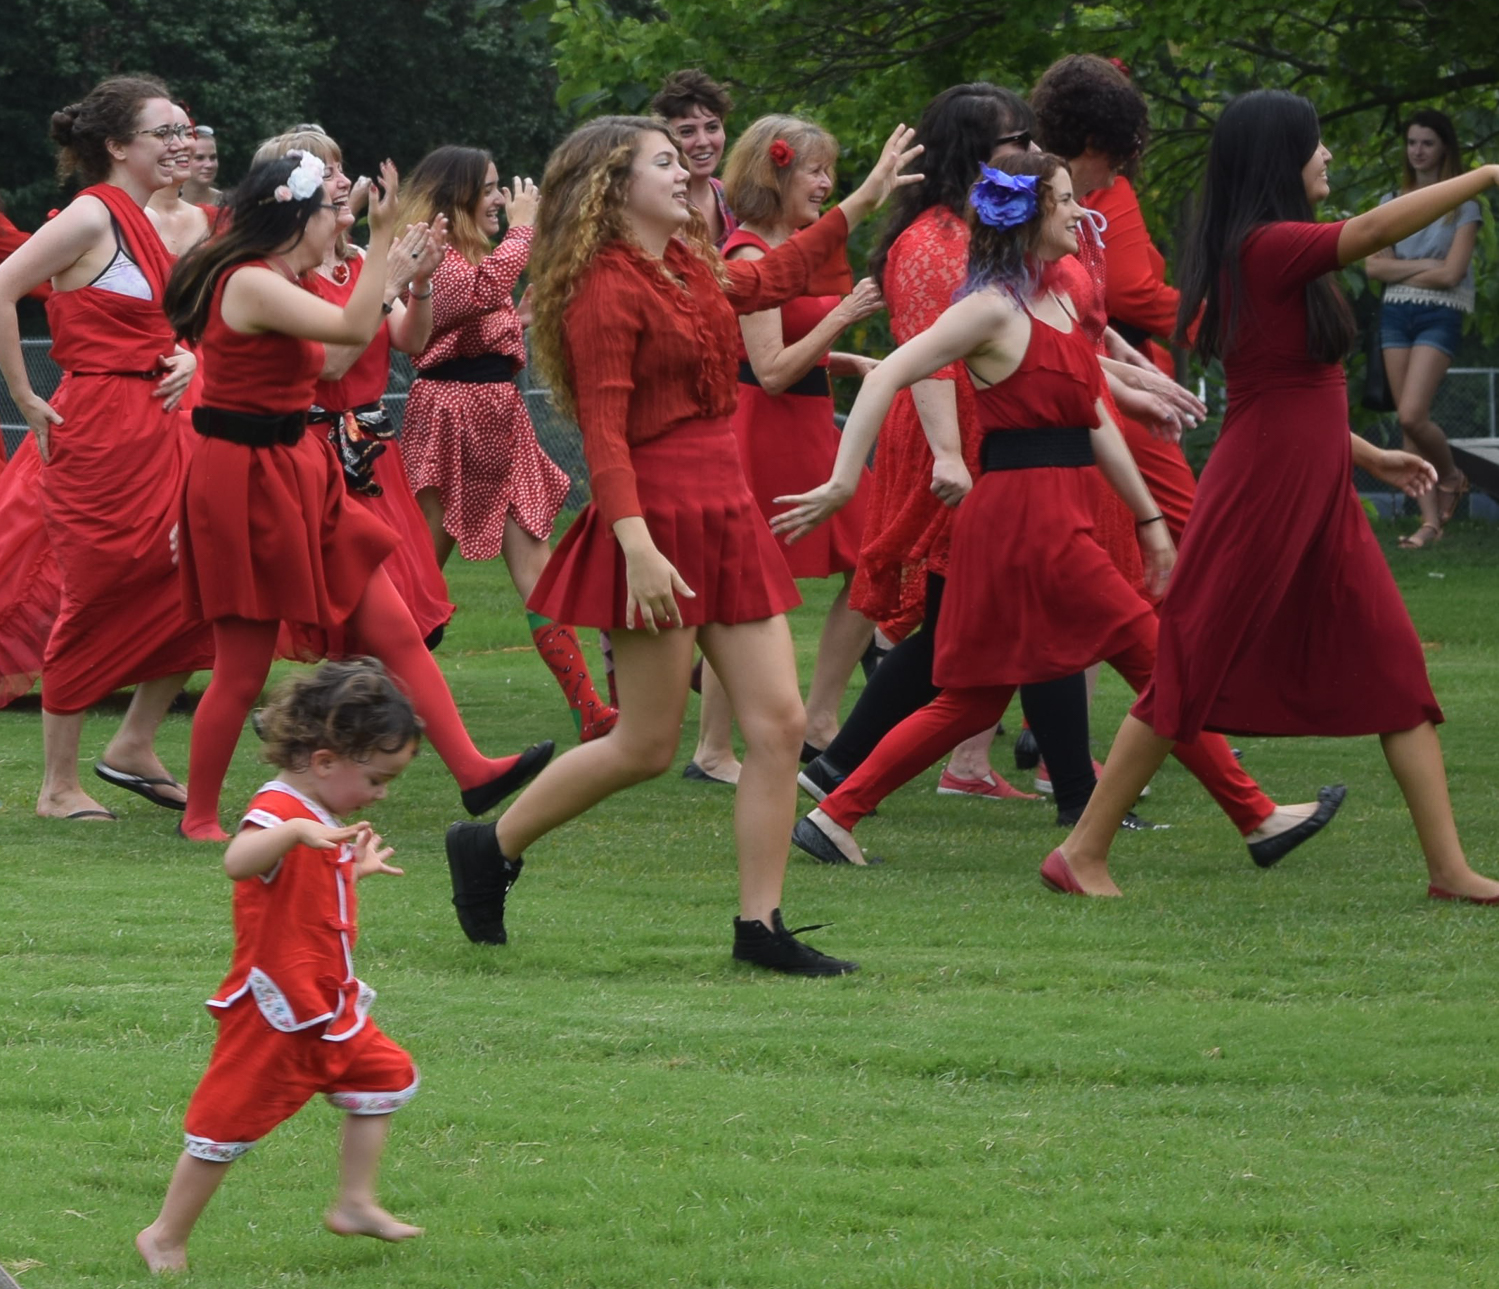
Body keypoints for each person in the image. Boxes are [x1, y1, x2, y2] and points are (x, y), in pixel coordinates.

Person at [441, 115, 922, 973]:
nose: (685, 170)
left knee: (776, 724)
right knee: (646, 744)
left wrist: (863, 196)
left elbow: (771, 275)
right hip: (656, 522)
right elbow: (603, 434)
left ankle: (759, 928)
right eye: (662, 162)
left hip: (723, 509)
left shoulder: (685, 264)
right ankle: (490, 845)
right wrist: (635, 546)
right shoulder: (601, 288)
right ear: (612, 186)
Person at [774, 153, 1336, 872]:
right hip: (1025, 522)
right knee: (1156, 657)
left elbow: (1091, 416)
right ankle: (1255, 815)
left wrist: (1146, 518)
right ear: (1029, 214)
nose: (1080, 213)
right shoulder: (985, 308)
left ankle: (832, 815)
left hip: (1051, 511)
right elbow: (889, 371)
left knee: (973, 703)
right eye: (1066, 201)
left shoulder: (1064, 296)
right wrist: (843, 482)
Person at [1046, 90, 1499, 903]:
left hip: (1313, 483)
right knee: (1184, 669)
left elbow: (1288, 387)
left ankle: (1448, 870)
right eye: (1316, 144)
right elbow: (1369, 237)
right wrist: (1485, 174)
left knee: (1395, 670)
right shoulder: (1266, 246)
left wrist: (1368, 454)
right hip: (1262, 490)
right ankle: (1081, 851)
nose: (1326, 157)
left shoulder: (1267, 253)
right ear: (1278, 160)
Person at [163, 151, 552, 841]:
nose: (337, 221)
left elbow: (342, 359)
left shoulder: (288, 279)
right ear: (296, 216)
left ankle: (472, 769)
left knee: (395, 622)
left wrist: (409, 280)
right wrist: (381, 248)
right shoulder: (247, 280)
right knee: (242, 667)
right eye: (330, 211)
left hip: (299, 469)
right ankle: (198, 817)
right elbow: (347, 332)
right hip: (243, 479)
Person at [135, 659, 425, 1275]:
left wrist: (351, 871)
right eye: (377, 779)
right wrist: (293, 831)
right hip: (276, 1009)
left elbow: (303, 893)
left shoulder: (316, 819)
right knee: (226, 1124)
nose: (381, 794)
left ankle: (354, 1202)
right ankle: (164, 1235)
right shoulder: (279, 810)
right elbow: (240, 861)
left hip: (325, 1003)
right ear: (324, 761)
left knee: (384, 1079)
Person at [0, 75, 213, 821]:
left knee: (198, 581)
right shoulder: (92, 215)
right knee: (91, 593)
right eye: (164, 132)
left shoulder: (175, 222)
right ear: (119, 145)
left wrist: (193, 357)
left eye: (184, 131)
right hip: (96, 425)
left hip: (166, 424)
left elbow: (200, 323)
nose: (180, 144)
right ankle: (57, 787)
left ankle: (133, 743)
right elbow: (2, 285)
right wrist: (26, 397)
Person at [681, 114, 883, 786]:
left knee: (871, 560)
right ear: (777, 172)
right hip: (768, 432)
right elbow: (766, 368)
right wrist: (842, 316)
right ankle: (716, 749)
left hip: (803, 425)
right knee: (744, 588)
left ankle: (813, 717)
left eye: (830, 171)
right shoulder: (747, 254)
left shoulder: (787, 243)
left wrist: (853, 360)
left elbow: (785, 350)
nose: (826, 183)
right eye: (815, 169)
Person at [397, 146, 616, 742]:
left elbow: (477, 313)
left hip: (503, 418)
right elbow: (468, 296)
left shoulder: (478, 259)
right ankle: (341, 701)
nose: (501, 198)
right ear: (458, 195)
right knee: (415, 577)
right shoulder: (429, 248)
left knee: (537, 570)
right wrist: (522, 232)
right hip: (448, 419)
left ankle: (589, 708)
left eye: (502, 189)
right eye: (491, 189)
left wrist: (513, 323)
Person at [253, 125, 454, 652]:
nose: (345, 182)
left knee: (403, 607)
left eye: (341, 168)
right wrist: (389, 285)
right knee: (357, 608)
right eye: (328, 173)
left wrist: (420, 282)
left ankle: (363, 718)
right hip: (320, 454)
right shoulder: (283, 277)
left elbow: (412, 340)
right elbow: (333, 366)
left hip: (372, 447)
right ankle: (348, 719)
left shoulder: (360, 261)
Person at [1367, 109, 1480, 549]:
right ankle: (1429, 523)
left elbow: (1452, 274)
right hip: (1396, 314)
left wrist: (1402, 269)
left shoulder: (1463, 205)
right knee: (1407, 426)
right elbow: (1373, 267)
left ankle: (1451, 475)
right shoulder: (1389, 201)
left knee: (1414, 412)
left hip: (1441, 315)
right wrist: (1425, 265)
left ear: (1444, 148)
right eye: (1412, 142)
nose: (1417, 151)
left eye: (1427, 143)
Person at [651, 69, 738, 249]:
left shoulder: (734, 199)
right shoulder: (656, 208)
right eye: (687, 132)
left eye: (712, 128)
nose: (703, 141)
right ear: (666, 138)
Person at [145, 103, 210, 257]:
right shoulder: (111, 219)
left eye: (188, 133)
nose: (183, 144)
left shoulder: (216, 221)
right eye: (164, 134)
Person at [180, 123, 221, 209]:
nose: (209, 165)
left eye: (213, 158)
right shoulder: (165, 203)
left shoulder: (226, 204)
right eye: (199, 158)